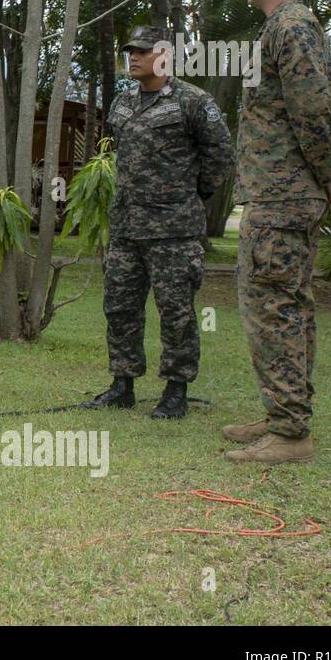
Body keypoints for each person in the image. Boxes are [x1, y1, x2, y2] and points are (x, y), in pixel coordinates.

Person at [223, 0, 331, 463]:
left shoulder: (293, 25)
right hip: (279, 194)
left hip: (282, 199)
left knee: (275, 308)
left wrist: (325, 172)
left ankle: (291, 432)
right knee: (283, 305)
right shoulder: (283, 27)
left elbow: (313, 110)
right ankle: (282, 414)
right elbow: (305, 111)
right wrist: (327, 169)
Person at [83, 25, 233, 418]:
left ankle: (176, 390)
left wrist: (190, 195)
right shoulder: (122, 102)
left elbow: (220, 158)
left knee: (176, 311)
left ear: (164, 56)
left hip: (174, 229)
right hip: (127, 226)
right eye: (130, 50)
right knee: (119, 307)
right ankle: (122, 383)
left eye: (143, 51)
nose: (133, 57)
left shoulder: (194, 101)